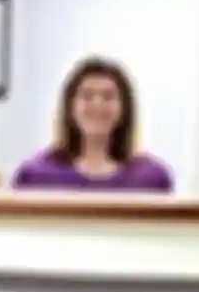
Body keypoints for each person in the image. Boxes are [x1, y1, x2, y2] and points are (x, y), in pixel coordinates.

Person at [12, 57, 173, 192]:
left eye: (108, 96)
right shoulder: (35, 176)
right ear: (70, 106)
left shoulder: (152, 178)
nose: (98, 105)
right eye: (87, 96)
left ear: (125, 108)